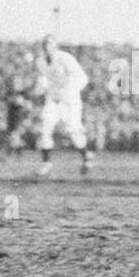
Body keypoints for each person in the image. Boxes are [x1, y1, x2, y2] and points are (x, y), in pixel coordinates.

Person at [35, 34, 93, 176]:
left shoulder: (65, 58)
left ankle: (86, 157)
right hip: (53, 100)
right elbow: (45, 80)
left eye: (50, 43)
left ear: (55, 45)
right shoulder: (40, 61)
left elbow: (83, 78)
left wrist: (68, 91)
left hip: (70, 101)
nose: (47, 47)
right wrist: (41, 87)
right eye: (45, 44)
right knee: (45, 128)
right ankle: (46, 163)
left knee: (74, 132)